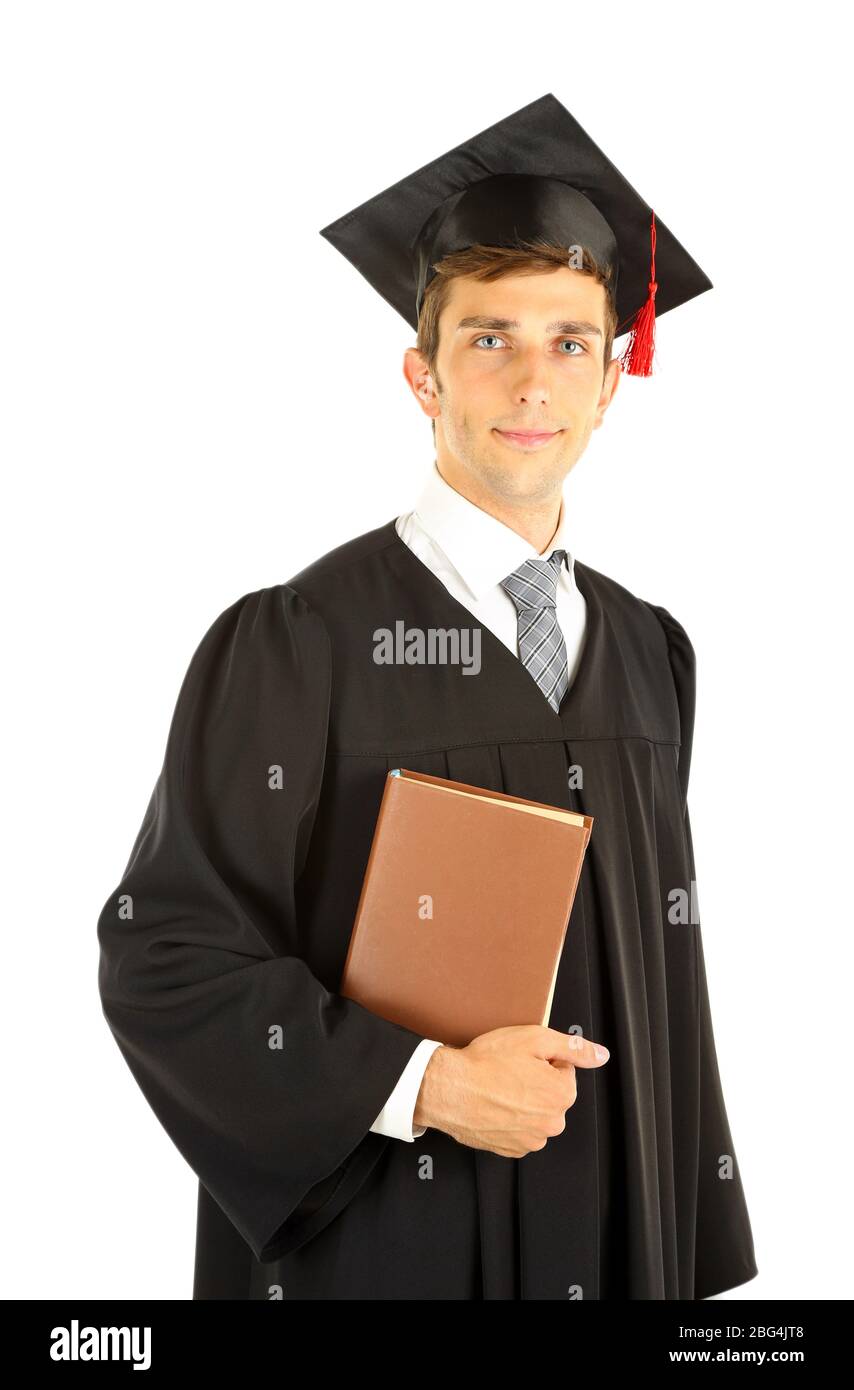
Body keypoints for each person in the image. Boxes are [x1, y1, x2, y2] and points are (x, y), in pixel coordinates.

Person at [97, 93, 758, 1300]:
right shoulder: (296, 641)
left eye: (569, 343)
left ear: (611, 381)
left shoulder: (652, 648)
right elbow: (166, 957)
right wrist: (422, 1084)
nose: (530, 380)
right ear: (420, 372)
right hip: (391, 1250)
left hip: (614, 1237)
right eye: (486, 337)